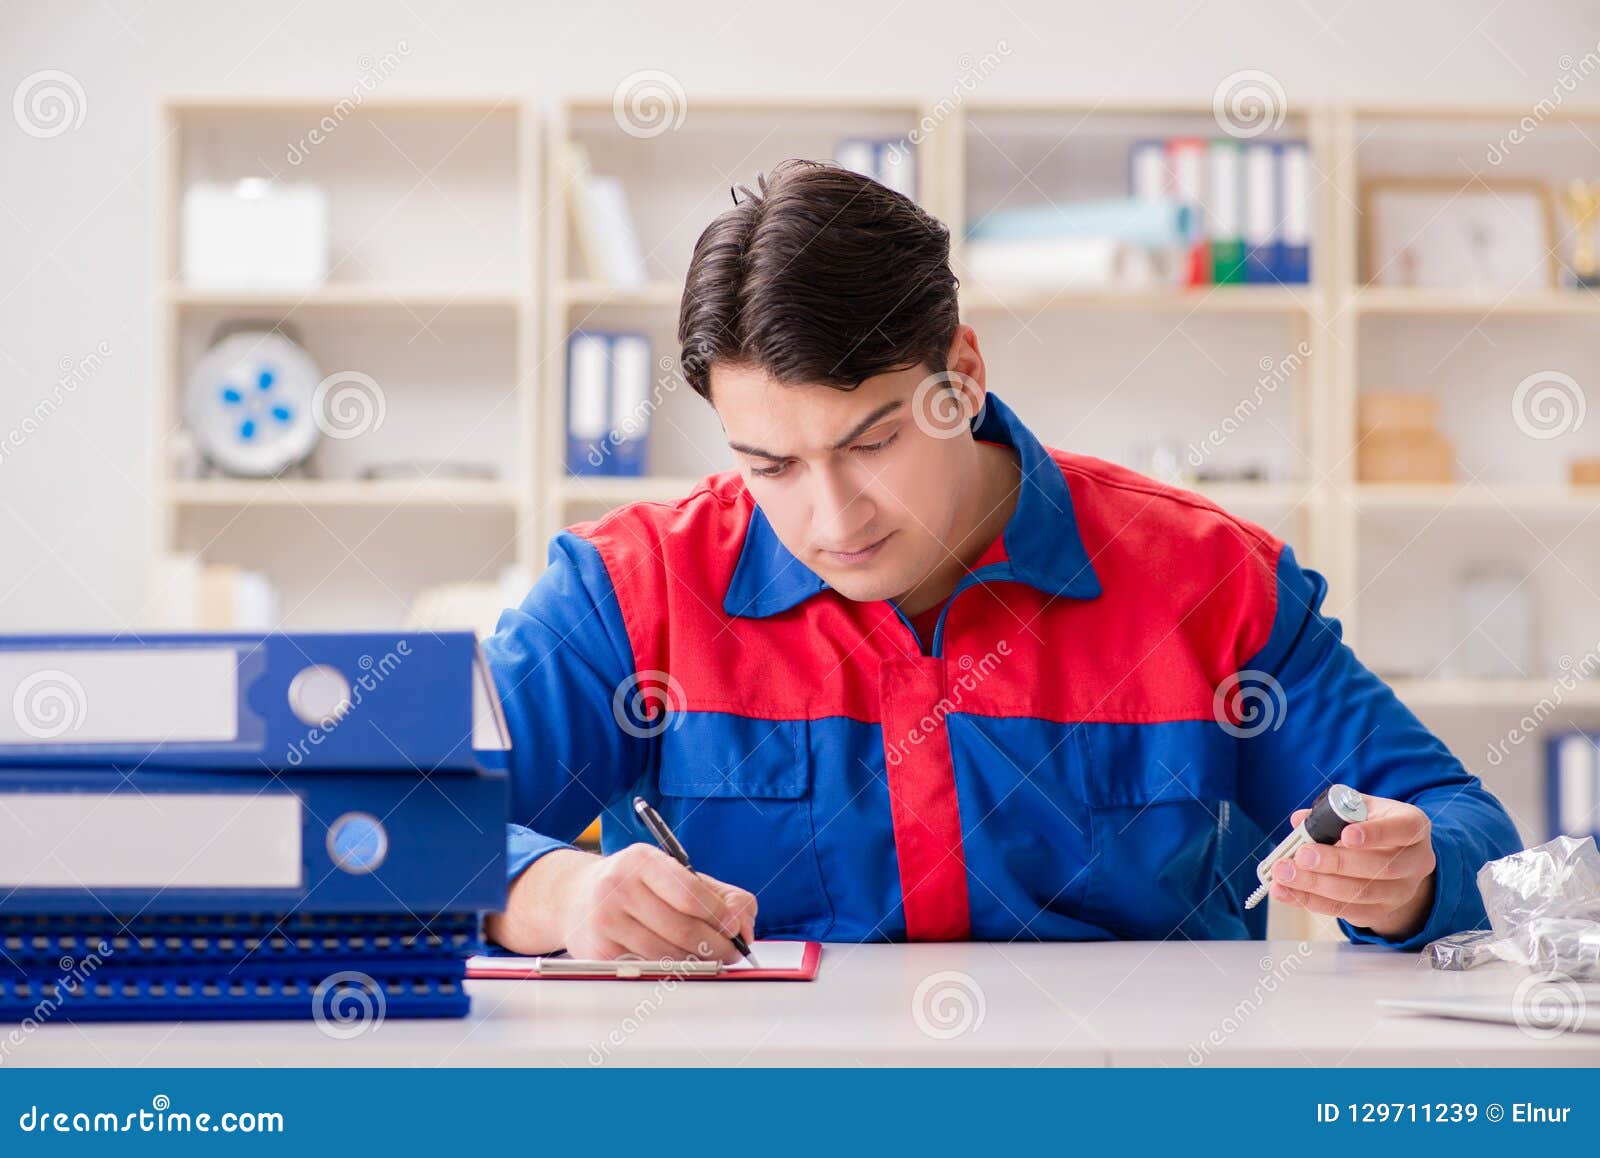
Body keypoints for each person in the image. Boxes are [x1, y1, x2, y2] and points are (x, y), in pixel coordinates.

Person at [483, 159, 1521, 963]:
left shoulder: (1207, 582)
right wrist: (559, 897)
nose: (831, 515)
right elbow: (377, 832)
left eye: (872, 442)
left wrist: (1418, 874)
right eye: (771, 466)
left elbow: (1471, 831)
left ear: (962, 376)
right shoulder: (629, 595)